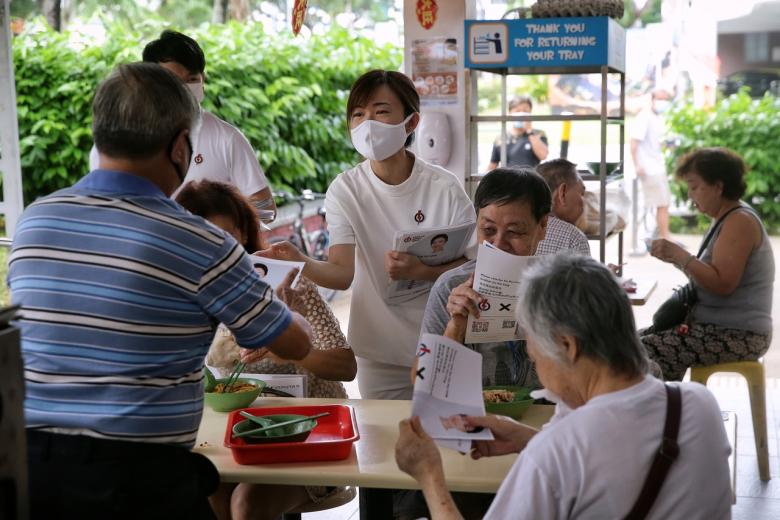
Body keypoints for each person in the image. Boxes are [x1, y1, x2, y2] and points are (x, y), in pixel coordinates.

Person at [8, 63, 313, 519]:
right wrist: (288, 310)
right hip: (135, 479)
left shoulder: (35, 221)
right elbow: (294, 343)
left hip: (29, 470)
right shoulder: (200, 241)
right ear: (179, 147)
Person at [396, 254, 732, 519]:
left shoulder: (556, 453)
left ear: (568, 347)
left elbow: (579, 458)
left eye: (534, 350)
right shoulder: (699, 404)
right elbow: (611, 462)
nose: (535, 363)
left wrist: (429, 475)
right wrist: (526, 438)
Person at [259, 69, 476, 400]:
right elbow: (342, 273)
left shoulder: (444, 187)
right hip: (379, 349)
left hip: (441, 340)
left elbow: (473, 267)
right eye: (358, 114)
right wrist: (300, 260)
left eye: (381, 111)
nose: (367, 123)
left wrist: (423, 271)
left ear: (411, 122)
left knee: (444, 437)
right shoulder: (345, 190)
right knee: (386, 443)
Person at [175, 179, 356, 520]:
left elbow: (346, 366)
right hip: (232, 436)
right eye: (199, 237)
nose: (214, 248)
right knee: (209, 492)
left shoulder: (285, 279)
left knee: (246, 505)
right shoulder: (183, 294)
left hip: (308, 433)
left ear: (243, 233)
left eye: (224, 235)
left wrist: (290, 351)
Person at [89, 30, 276, 218]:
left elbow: (266, 210)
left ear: (203, 79)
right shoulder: (118, 140)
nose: (184, 89)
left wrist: (219, 226)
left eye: (192, 79)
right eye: (174, 81)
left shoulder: (227, 138)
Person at [641, 147, 774, 381]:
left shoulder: (739, 221)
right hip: (715, 327)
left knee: (634, 353)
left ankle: (665, 411)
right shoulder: (725, 218)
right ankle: (669, 408)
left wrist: (682, 256)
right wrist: (676, 258)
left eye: (694, 187)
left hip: (739, 334)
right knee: (626, 343)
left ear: (718, 186)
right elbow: (708, 276)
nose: (691, 196)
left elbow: (723, 284)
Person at [420, 168, 550, 389]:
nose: (498, 244)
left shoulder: (562, 288)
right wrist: (456, 326)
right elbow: (422, 381)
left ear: (543, 226)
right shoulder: (451, 288)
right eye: (488, 229)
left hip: (546, 418)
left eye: (514, 232)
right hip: (470, 415)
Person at [631, 89, 673, 240]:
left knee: (664, 203)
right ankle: (664, 236)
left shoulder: (656, 118)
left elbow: (656, 143)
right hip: (649, 169)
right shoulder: (644, 117)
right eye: (661, 99)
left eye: (666, 99)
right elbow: (634, 142)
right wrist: (637, 165)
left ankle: (664, 234)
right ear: (652, 99)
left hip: (657, 166)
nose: (663, 103)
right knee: (661, 204)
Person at [535, 158, 590, 255]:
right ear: (562, 194)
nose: (583, 202)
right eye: (581, 193)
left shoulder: (518, 228)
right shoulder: (573, 238)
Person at [486, 95, 548, 170]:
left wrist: (529, 131)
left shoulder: (539, 134)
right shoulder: (501, 138)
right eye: (517, 111)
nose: (521, 114)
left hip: (531, 179)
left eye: (525, 111)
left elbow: (543, 155)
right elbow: (493, 164)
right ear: (510, 113)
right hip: (508, 179)